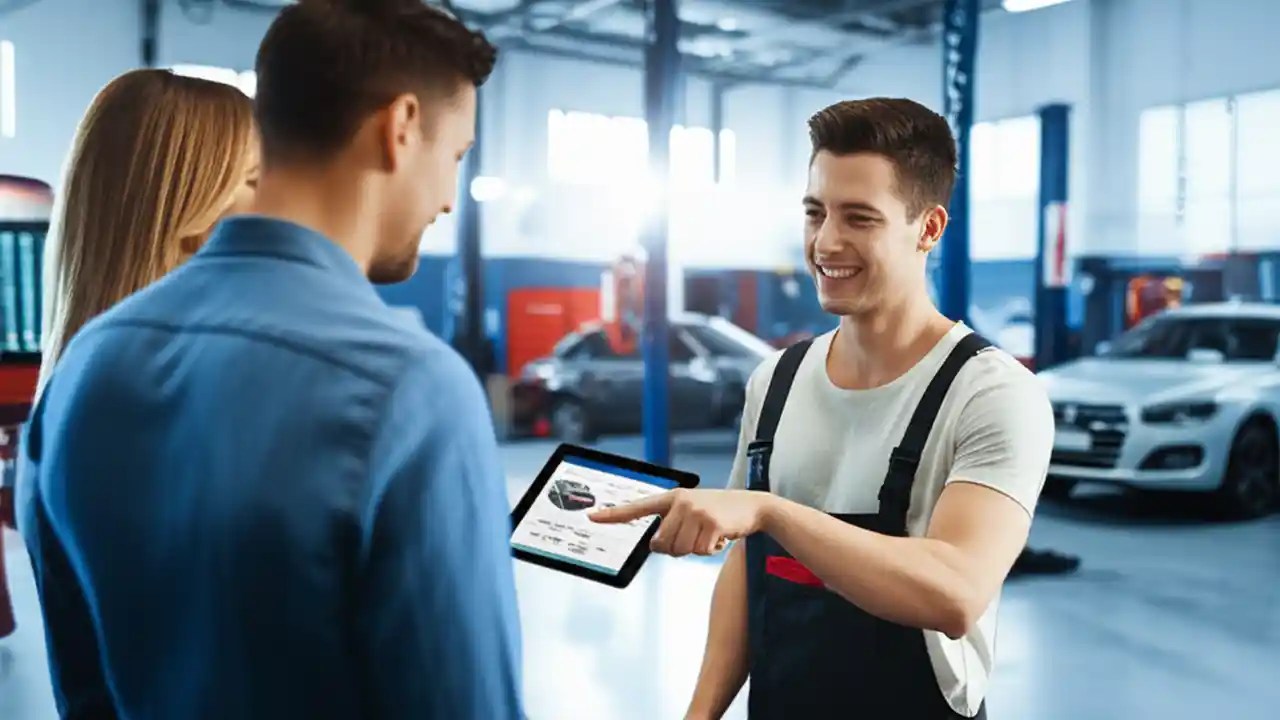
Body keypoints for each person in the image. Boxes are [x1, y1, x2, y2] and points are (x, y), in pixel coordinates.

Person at [19, 1, 522, 718]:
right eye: (457, 158)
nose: (448, 201)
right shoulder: (412, 389)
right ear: (402, 126)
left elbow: (84, 689)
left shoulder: (85, 365)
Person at [593, 98, 1055, 719]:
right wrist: (699, 715)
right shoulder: (776, 381)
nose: (826, 241)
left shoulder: (990, 393)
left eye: (859, 218)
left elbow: (955, 591)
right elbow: (747, 569)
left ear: (929, 228)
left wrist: (770, 511)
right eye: (815, 212)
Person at [10, 67, 259, 645]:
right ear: (191, 210)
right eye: (255, 180)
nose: (282, 204)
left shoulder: (88, 385)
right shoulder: (154, 401)